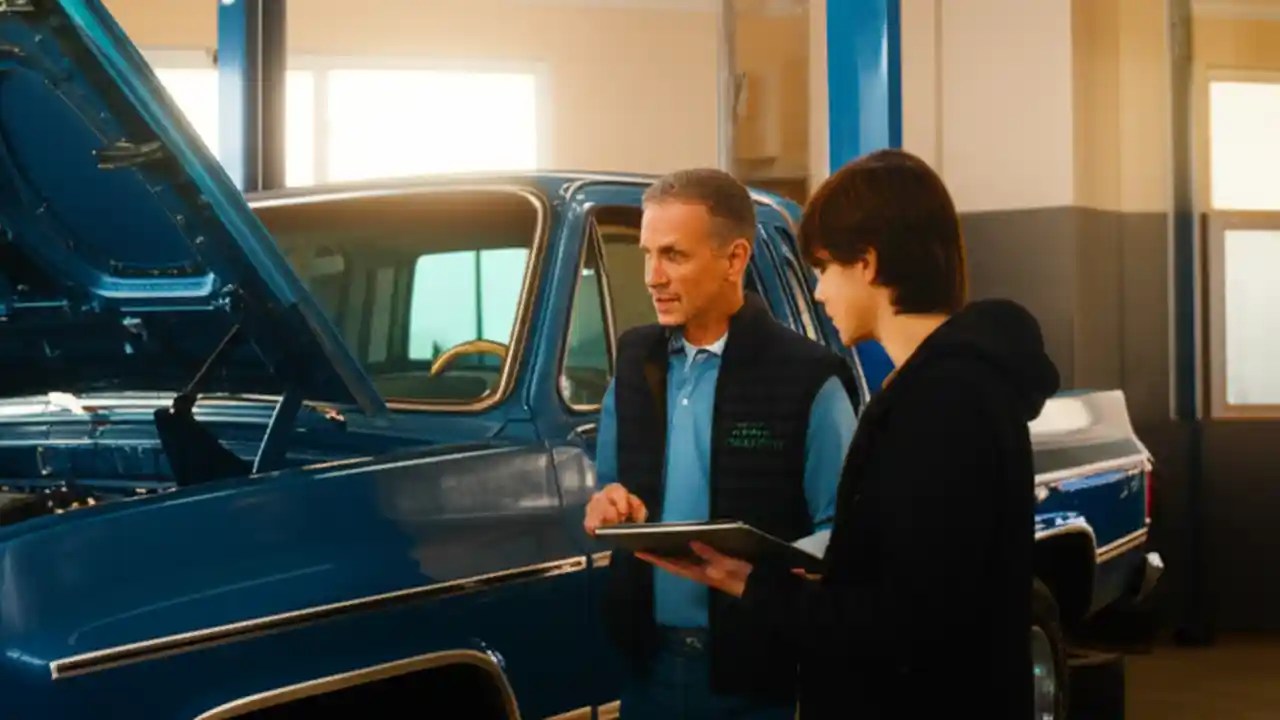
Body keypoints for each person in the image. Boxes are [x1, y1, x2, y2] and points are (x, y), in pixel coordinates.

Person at [636, 149, 1062, 718]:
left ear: (867, 263)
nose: (817, 293)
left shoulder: (945, 407)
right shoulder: (946, 390)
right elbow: (913, 575)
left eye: (823, 269)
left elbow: (906, 626)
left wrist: (759, 589)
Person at [582, 168, 859, 719]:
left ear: (734, 259)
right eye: (646, 254)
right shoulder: (635, 364)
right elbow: (609, 490)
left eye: (673, 256)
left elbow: (844, 534)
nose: (652, 277)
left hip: (756, 675)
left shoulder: (808, 379)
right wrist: (605, 505)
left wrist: (761, 579)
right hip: (647, 669)